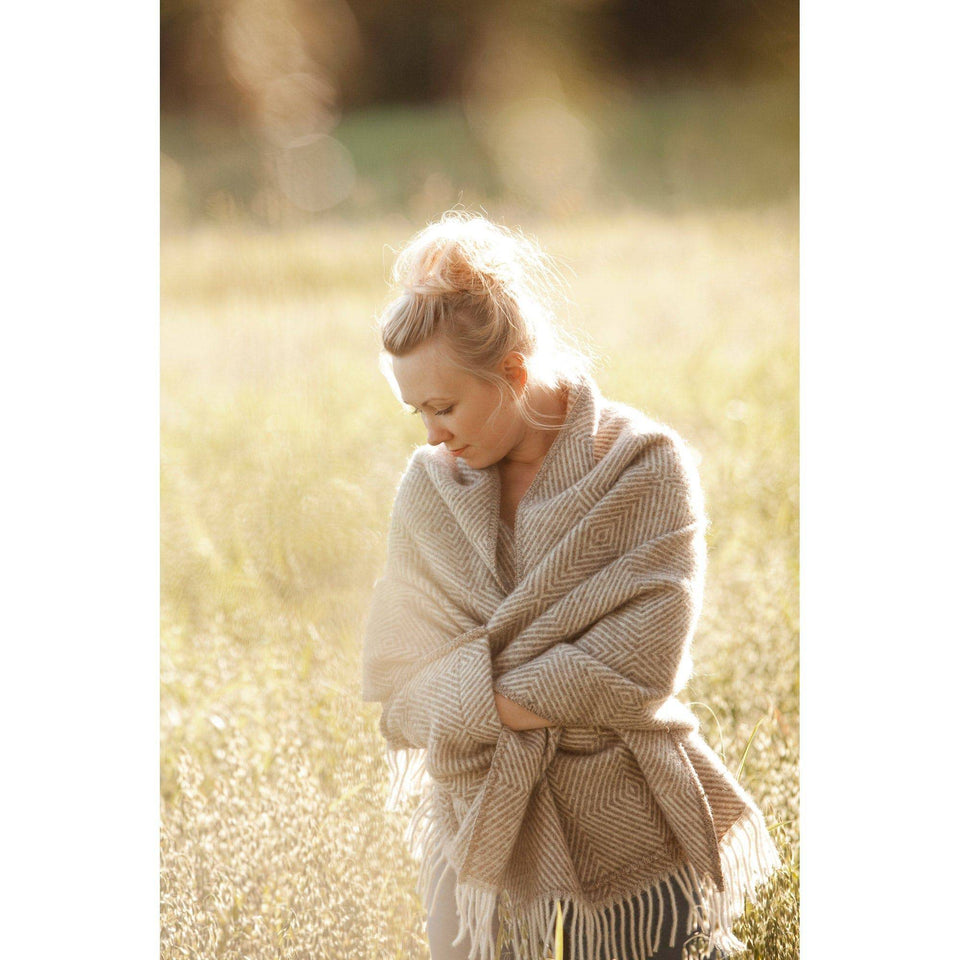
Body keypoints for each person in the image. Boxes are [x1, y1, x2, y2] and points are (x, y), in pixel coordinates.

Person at [361, 211, 780, 960]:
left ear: (514, 373)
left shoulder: (644, 468)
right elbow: (399, 686)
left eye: (445, 407)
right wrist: (550, 684)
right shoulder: (428, 489)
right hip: (476, 832)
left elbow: (639, 667)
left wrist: (469, 693)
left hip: (628, 825)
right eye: (417, 411)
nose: (430, 435)